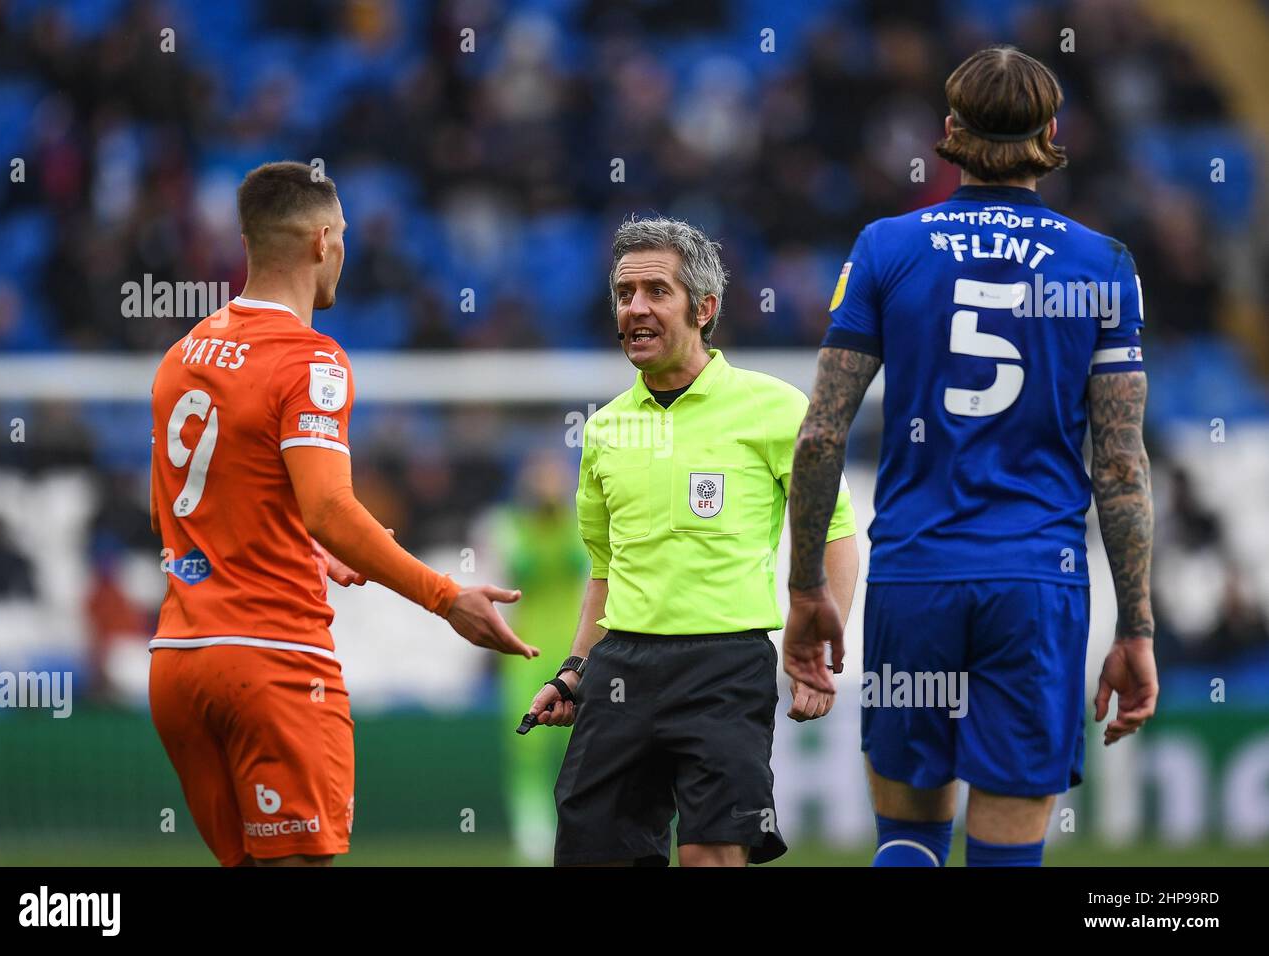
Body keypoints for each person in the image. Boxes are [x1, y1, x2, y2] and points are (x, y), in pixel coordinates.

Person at [783, 46, 1159, 868]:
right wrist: (1136, 625)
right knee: (1006, 852)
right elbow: (1121, 466)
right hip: (1035, 581)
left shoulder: (887, 248)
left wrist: (807, 585)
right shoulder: (1103, 266)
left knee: (910, 843)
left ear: (949, 131)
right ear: (1053, 133)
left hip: (914, 576)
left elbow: (818, 437)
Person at [147, 161, 537, 867]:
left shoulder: (181, 355)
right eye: (346, 237)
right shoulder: (312, 361)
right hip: (274, 660)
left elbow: (177, 509)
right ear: (323, 241)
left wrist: (297, 540)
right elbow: (329, 508)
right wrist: (446, 597)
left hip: (179, 664)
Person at [529, 217, 859, 867]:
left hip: (724, 667)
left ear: (704, 308)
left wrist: (818, 637)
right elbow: (605, 571)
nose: (636, 309)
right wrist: (574, 671)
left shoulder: (775, 408)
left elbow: (837, 537)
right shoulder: (603, 431)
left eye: (657, 291)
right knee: (593, 856)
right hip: (621, 667)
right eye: (625, 295)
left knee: (711, 854)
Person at [488, 451, 588, 862]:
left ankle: (579, 826)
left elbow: (584, 565)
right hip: (525, 650)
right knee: (525, 743)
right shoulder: (510, 527)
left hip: (572, 650)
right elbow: (513, 568)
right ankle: (533, 832)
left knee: (579, 742)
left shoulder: (579, 524)